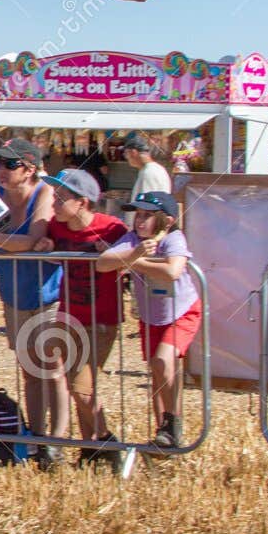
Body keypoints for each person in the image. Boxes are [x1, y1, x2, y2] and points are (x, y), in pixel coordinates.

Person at [0, 138, 62, 457]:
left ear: (30, 169)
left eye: (9, 164)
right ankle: (37, 436)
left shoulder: (44, 192)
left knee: (53, 368)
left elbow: (34, 239)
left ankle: (56, 442)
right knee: (29, 370)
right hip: (14, 292)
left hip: (48, 294)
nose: (1, 170)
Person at [36, 169, 127, 465]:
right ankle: (91, 448)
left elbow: (135, 257)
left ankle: (108, 443)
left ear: (82, 202)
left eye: (61, 198)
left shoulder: (112, 229)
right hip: (69, 316)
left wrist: (117, 254)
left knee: (81, 387)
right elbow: (43, 241)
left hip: (102, 319)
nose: (53, 204)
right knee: (80, 388)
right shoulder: (57, 227)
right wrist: (45, 245)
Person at [97, 191, 199, 450]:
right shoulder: (134, 240)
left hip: (181, 311)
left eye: (147, 216)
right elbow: (103, 263)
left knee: (163, 361)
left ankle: (172, 423)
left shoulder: (173, 238)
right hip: (152, 315)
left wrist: (135, 260)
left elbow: (172, 271)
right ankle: (163, 433)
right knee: (157, 370)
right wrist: (133, 254)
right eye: (138, 215)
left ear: (167, 220)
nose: (140, 221)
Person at [123, 133, 172, 198]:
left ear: (133, 153)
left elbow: (146, 205)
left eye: (126, 154)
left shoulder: (149, 172)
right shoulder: (153, 169)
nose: (126, 158)